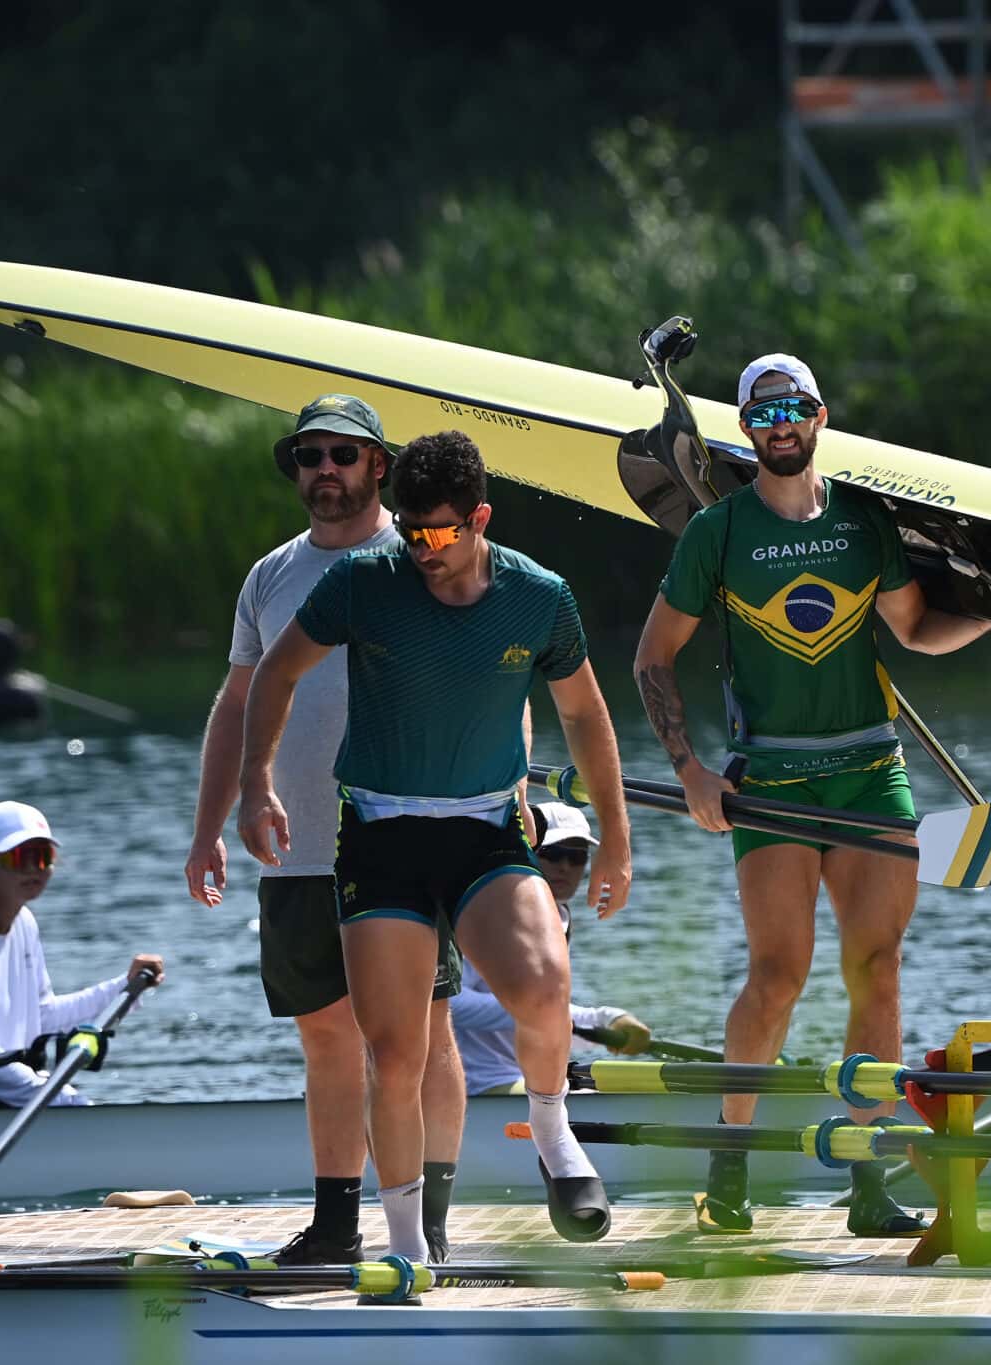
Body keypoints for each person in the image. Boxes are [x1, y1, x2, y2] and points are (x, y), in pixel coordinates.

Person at [632, 353, 991, 1236]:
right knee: (779, 975)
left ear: (818, 417)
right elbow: (652, 656)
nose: (781, 426)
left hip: (867, 771)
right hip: (768, 778)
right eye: (764, 415)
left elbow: (916, 629)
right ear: (746, 429)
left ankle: (867, 1179)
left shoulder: (862, 522)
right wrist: (690, 767)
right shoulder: (718, 533)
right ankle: (728, 1165)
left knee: (876, 971)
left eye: (794, 411)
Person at [240, 430, 632, 1258]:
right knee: (397, 1051)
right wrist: (254, 781)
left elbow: (587, 715)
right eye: (411, 530)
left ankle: (556, 1138)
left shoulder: (540, 595)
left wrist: (619, 840)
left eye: (443, 532)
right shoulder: (362, 582)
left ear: (481, 517)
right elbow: (274, 674)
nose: (423, 550)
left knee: (544, 983)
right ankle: (409, 1246)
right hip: (381, 837)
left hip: (484, 832)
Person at [185, 394, 471, 1266]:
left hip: (408, 837)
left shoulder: (422, 556)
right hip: (295, 848)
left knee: (421, 1034)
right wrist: (210, 827)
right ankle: (338, 1224)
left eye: (343, 454)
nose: (325, 470)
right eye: (309, 455)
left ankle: (430, 1222)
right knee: (325, 1036)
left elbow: (491, 681)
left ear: (378, 465)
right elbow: (236, 705)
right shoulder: (271, 576)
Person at [0, 801, 165, 1109]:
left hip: (1, 1102)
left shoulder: (24, 922)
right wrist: (70, 1103)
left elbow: (45, 1018)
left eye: (41, 857)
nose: (31, 869)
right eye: (18, 856)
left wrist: (124, 989)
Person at [453, 802, 654, 1096]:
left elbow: (550, 1015)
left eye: (576, 858)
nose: (565, 867)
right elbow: (448, 1005)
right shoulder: (485, 915)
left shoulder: (557, 919)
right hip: (471, 1083)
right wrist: (534, 1011)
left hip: (521, 1075)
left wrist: (607, 1019)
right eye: (552, 854)